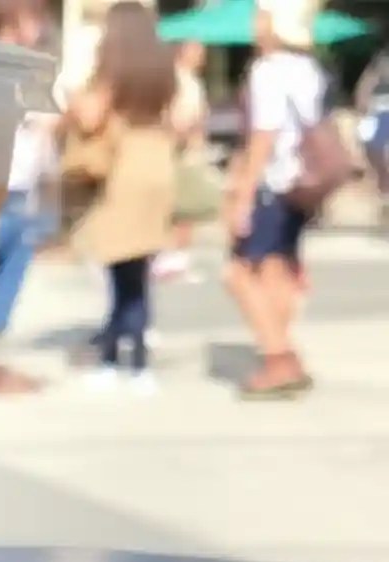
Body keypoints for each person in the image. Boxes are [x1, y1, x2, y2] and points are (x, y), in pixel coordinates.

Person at [67, 1, 177, 395]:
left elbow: (90, 117)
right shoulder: (162, 68)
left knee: (119, 273)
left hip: (123, 169)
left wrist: (72, 95)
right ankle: (140, 365)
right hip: (158, 165)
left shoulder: (112, 67)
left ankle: (116, 359)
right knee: (139, 273)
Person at [223, 0, 322, 399]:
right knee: (275, 271)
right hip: (301, 186)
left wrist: (241, 198)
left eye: (260, 16)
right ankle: (280, 354)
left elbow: (264, 136)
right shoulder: (309, 69)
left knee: (238, 273)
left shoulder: (268, 71)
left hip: (272, 185)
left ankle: (280, 356)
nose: (254, 24)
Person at [0, 0, 61, 394]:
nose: (37, 26)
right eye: (30, 18)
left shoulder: (35, 71)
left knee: (5, 286)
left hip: (21, 194)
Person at [156, 40, 214, 283]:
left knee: (186, 209)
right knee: (181, 208)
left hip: (191, 151)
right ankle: (172, 260)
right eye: (196, 51)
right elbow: (170, 115)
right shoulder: (176, 80)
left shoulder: (191, 80)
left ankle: (178, 259)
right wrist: (185, 132)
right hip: (178, 152)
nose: (201, 57)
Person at [355, 47, 389, 210]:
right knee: (369, 141)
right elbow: (368, 81)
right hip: (378, 108)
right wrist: (362, 101)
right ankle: (383, 185)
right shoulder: (381, 59)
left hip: (383, 110)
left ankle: (384, 186)